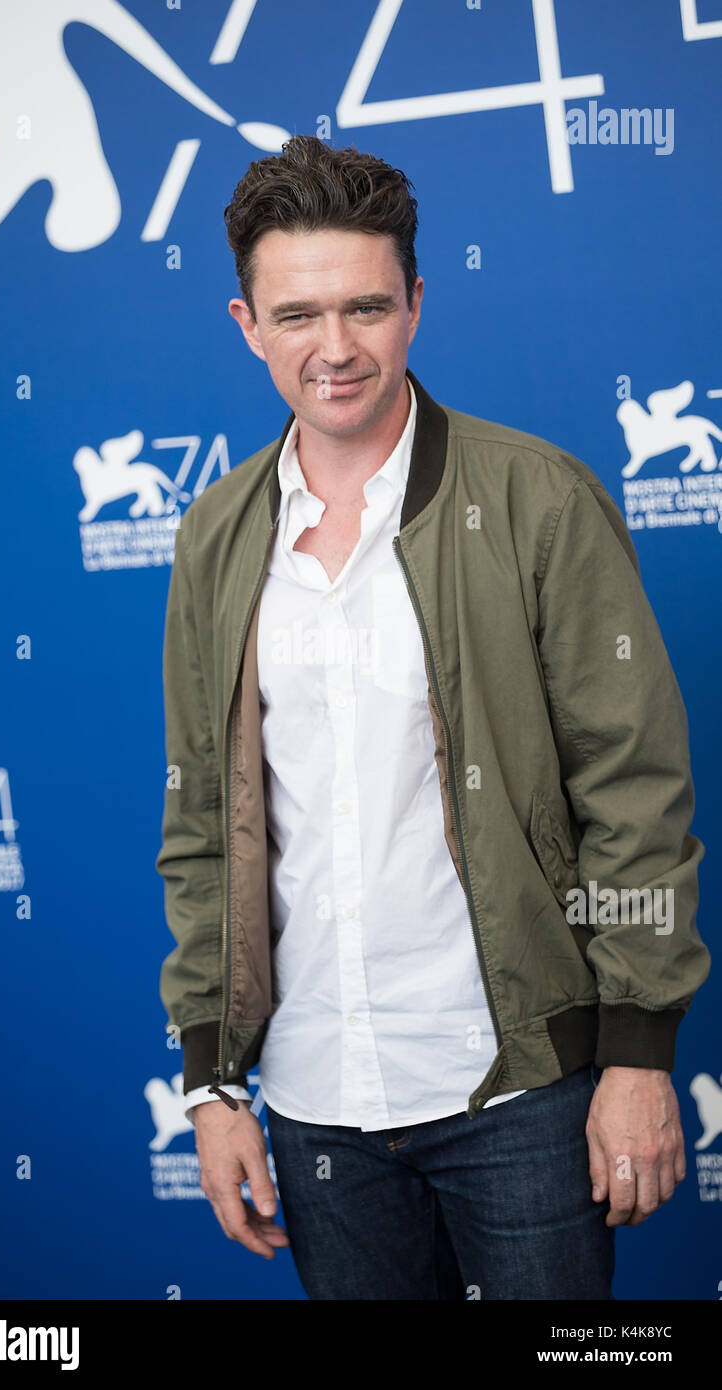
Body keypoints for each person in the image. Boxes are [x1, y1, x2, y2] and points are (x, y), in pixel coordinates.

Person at [155, 135, 710, 1300]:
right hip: (314, 1099)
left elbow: (633, 793)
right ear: (245, 324)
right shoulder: (212, 536)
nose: (334, 347)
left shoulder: (536, 498)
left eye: (365, 305)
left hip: (517, 1090)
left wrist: (635, 1056)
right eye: (296, 314)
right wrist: (212, 1084)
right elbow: (205, 822)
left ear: (416, 302)